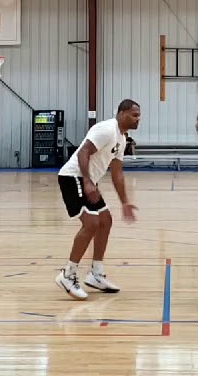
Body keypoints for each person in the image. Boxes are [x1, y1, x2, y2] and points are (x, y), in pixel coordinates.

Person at [54, 99, 140, 300]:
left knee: (105, 220)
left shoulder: (122, 139)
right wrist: (87, 182)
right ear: (122, 113)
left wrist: (125, 202)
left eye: (139, 116)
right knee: (91, 223)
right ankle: (68, 274)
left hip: (87, 180)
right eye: (135, 115)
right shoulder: (106, 129)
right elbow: (84, 151)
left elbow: (117, 173)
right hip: (73, 176)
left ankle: (96, 274)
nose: (138, 119)